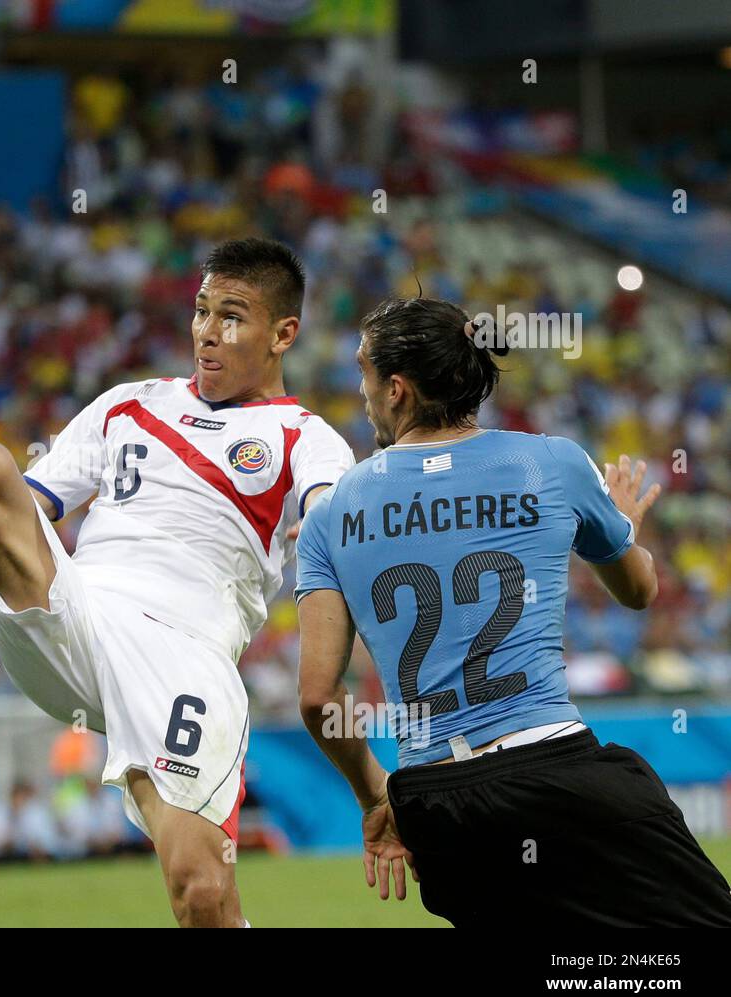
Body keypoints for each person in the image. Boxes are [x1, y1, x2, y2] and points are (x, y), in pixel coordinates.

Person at [0, 238, 355, 927]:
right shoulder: (128, 405)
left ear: (284, 334)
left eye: (232, 317)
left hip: (184, 655)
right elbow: (8, 515)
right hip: (79, 612)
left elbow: (329, 508)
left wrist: (324, 528)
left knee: (203, 896)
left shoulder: (305, 436)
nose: (207, 334)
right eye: (200, 311)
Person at [295, 296, 731, 926]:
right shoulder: (550, 461)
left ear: (396, 390)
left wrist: (376, 795)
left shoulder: (331, 515)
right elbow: (639, 591)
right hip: (554, 770)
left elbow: (316, 697)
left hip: (433, 802)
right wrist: (626, 528)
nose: (361, 393)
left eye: (365, 374)